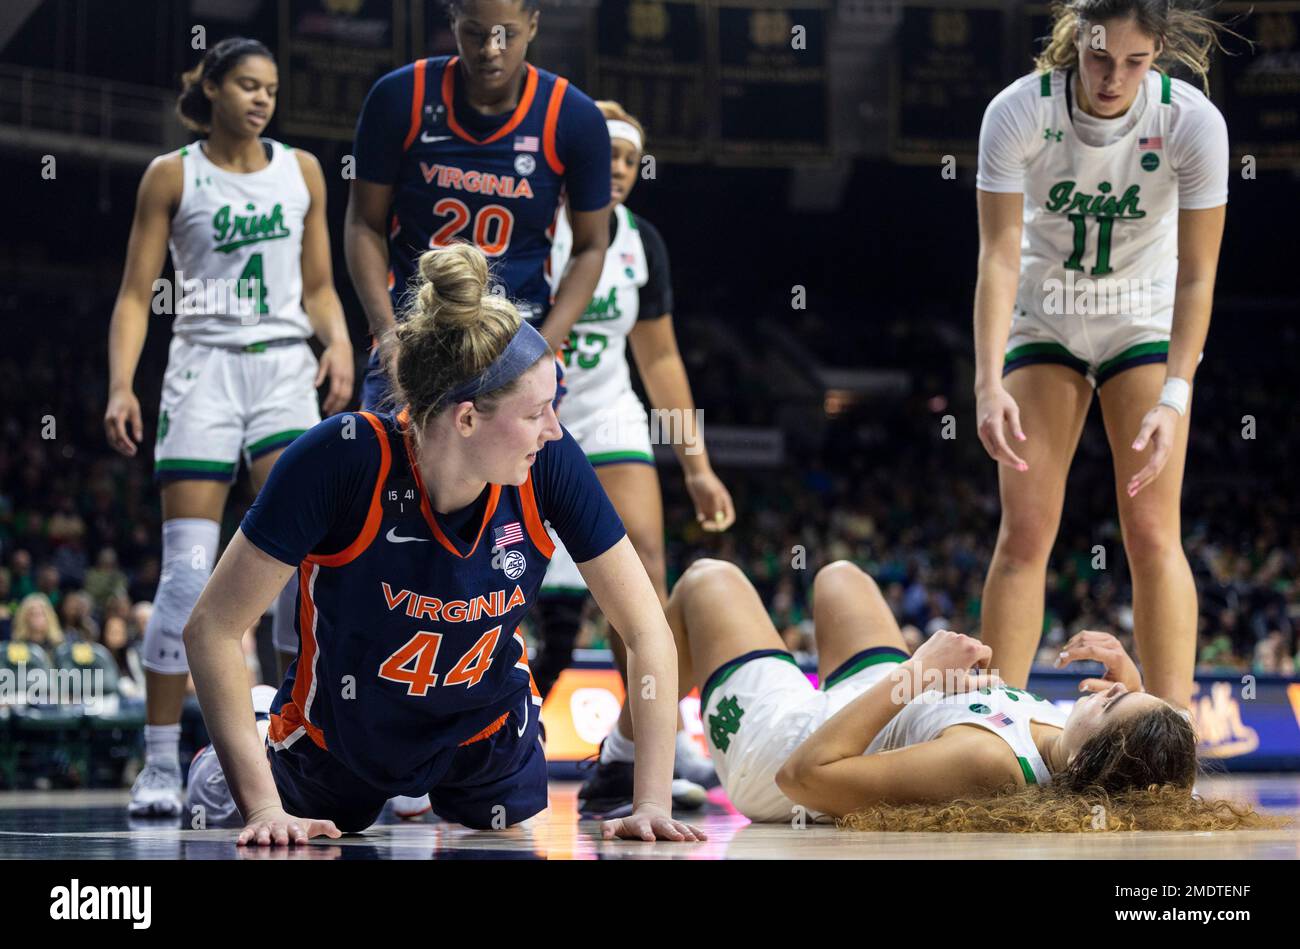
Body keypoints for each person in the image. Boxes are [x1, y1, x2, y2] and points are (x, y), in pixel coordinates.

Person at [183, 242, 703, 844]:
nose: (555, 428)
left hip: (481, 725)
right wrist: (263, 811)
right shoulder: (341, 456)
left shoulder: (551, 461)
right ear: (466, 419)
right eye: (537, 412)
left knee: (509, 837)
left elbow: (647, 630)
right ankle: (241, 742)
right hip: (342, 729)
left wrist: (651, 799)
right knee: (310, 829)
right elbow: (211, 628)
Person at [344, 0, 613, 817]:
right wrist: (387, 336)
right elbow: (362, 223)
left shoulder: (571, 116)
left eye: (506, 30)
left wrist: (548, 343)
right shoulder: (400, 97)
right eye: (472, 29)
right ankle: (350, 720)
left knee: (497, 541)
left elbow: (593, 240)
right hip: (415, 349)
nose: (490, 48)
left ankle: (469, 722)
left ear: (534, 21)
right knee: (368, 536)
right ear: (451, 20)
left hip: (509, 364)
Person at [103, 37, 354, 818]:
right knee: (186, 573)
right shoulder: (172, 174)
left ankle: (299, 739)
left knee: (298, 563)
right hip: (202, 370)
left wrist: (338, 339)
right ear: (210, 87)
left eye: (271, 88)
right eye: (246, 84)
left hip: (283, 368)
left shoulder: (303, 171)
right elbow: (135, 293)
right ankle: (157, 762)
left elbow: (318, 283)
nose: (261, 99)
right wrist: (121, 383)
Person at [972, 0, 1235, 708]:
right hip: (1047, 313)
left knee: (1152, 529)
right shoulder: (1018, 111)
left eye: (1135, 62)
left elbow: (1198, 275)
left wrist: (1176, 397)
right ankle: (993, 725)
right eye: (1098, 57)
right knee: (1025, 527)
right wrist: (986, 381)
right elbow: (998, 256)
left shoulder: (1193, 123)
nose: (1113, 78)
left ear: (1160, 53)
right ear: (1074, 41)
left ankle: (1173, 731)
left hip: (1139, 317)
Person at [669, 558, 1271, 830]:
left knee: (706, 579)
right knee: (839, 577)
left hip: (790, 746)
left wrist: (922, 669)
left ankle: (626, 754)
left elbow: (804, 778)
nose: (1113, 687)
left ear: (1095, 758)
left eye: (1115, 700)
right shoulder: (1080, 760)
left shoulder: (987, 761)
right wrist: (1135, 687)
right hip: (877, 702)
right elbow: (1153, 772)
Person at [529, 102, 735, 814]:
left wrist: (697, 463)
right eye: (606, 155)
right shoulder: (530, 222)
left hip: (608, 409)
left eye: (628, 160)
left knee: (645, 562)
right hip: (529, 410)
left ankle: (652, 731)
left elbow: (661, 357)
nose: (617, 169)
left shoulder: (642, 241)